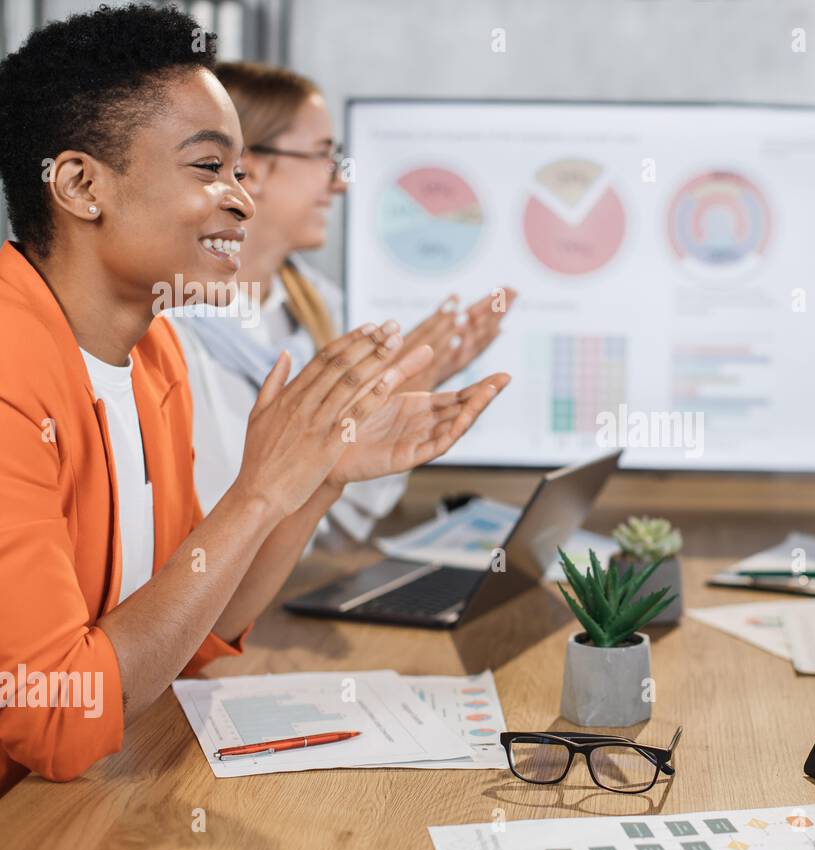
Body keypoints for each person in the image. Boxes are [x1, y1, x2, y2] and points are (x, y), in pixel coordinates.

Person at [0, 4, 508, 796]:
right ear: (78, 184)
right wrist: (262, 488)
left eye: (241, 170)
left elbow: (190, 634)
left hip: (99, 786)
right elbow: (61, 717)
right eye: (208, 168)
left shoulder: (155, 352)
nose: (240, 198)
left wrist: (320, 476)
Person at [170, 60, 517, 544]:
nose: (340, 183)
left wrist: (401, 392)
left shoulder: (323, 309)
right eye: (322, 157)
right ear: (251, 168)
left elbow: (331, 530)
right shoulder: (168, 327)